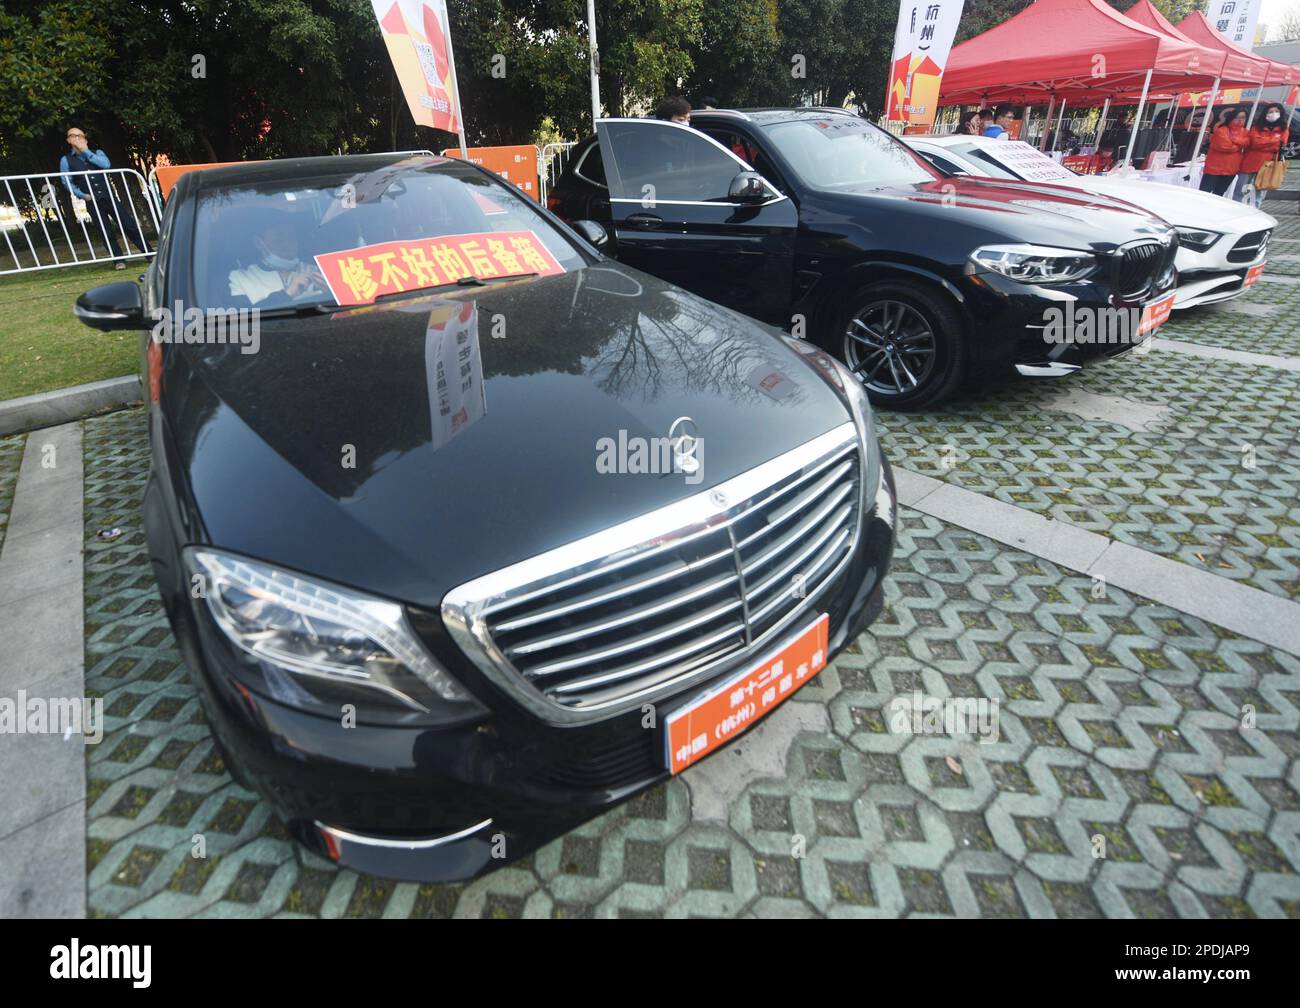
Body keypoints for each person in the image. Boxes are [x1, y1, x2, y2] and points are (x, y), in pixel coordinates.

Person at [59, 126, 149, 269]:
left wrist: (86, 151)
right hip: (92, 200)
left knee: (128, 224)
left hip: (109, 196)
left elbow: (106, 165)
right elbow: (66, 182)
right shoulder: (66, 160)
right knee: (105, 231)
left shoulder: (97, 152)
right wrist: (82, 195)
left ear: (85, 139)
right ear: (68, 140)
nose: (77, 138)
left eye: (80, 136)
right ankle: (119, 260)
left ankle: (148, 253)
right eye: (73, 136)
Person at [228, 218, 330, 306]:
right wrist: (288, 294)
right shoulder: (240, 278)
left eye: (292, 236)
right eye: (279, 238)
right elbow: (241, 320)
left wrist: (329, 292)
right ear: (259, 243)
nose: (288, 243)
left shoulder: (319, 270)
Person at [1238, 102, 1289, 206]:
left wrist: (1264, 141)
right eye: (1270, 111)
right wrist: (1273, 140)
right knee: (1241, 189)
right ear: (1265, 113)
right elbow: (1255, 143)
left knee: (1259, 191)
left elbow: (1279, 145)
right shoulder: (1256, 127)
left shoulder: (1284, 129)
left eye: (1276, 112)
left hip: (1268, 164)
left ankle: (1255, 210)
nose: (1273, 113)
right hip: (1250, 161)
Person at [1199, 106, 1249, 197]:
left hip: (1231, 169)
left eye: (1243, 117)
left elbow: (1247, 142)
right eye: (1237, 117)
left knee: (1219, 195)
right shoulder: (1221, 130)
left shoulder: (1245, 132)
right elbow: (1224, 146)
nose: (1240, 120)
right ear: (1231, 117)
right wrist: (1239, 146)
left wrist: (1234, 140)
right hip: (1214, 168)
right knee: (1203, 194)